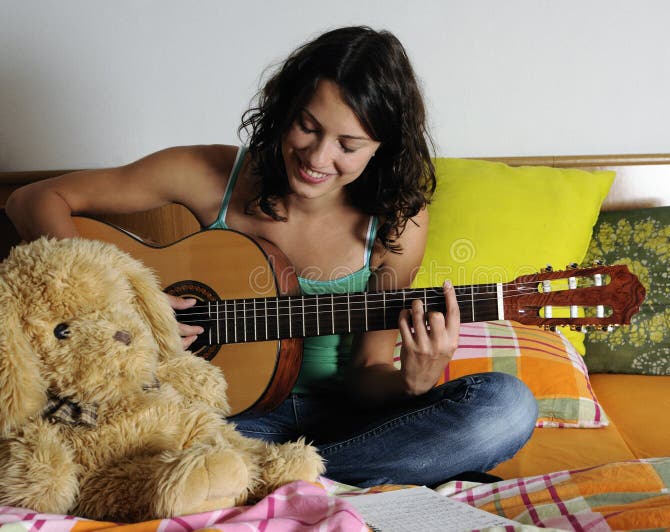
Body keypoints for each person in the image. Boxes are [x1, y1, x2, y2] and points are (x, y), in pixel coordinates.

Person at [6, 26, 537, 487]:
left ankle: (259, 475)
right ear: (285, 110)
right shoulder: (212, 173)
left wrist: (413, 381)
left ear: (382, 149)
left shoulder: (397, 222)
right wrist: (120, 308)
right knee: (106, 435)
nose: (317, 157)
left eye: (348, 145)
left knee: (506, 409)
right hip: (217, 418)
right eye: (307, 126)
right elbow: (33, 200)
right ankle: (279, 472)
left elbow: (366, 371)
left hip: (341, 424)